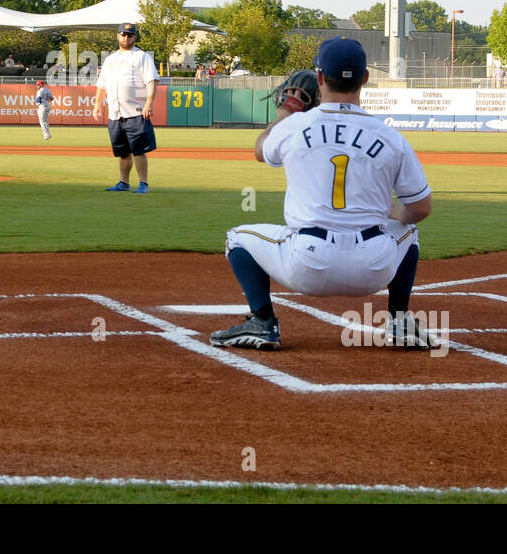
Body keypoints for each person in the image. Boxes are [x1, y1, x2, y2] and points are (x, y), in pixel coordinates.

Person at [209, 37, 438, 352]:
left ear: (319, 78)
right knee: (408, 232)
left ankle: (263, 322)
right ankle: (399, 321)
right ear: (365, 79)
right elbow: (421, 207)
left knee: (237, 237)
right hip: (372, 268)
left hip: (308, 265)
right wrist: (390, 214)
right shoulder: (391, 137)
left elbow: (260, 151)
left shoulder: (295, 126)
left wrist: (284, 114)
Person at [91, 22, 158, 194]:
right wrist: (98, 103)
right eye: (123, 34)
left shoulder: (142, 57)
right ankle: (124, 182)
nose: (126, 37)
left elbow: (151, 81)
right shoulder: (110, 59)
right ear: (118, 35)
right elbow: (102, 84)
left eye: (130, 35)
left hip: (136, 111)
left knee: (138, 150)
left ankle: (144, 184)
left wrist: (149, 103)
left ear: (135, 37)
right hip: (115, 113)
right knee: (122, 152)